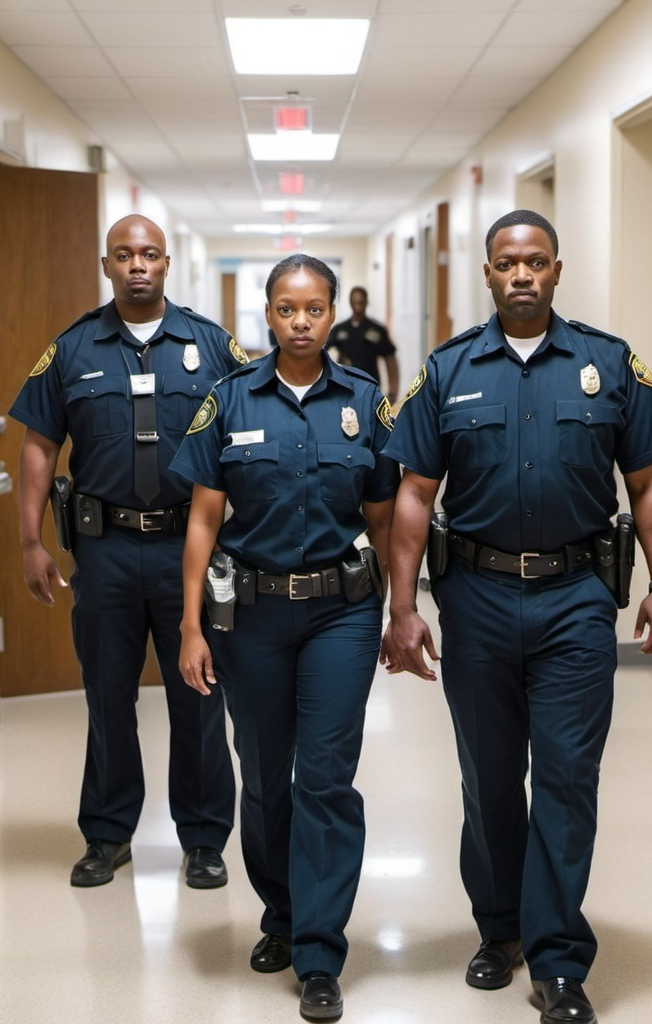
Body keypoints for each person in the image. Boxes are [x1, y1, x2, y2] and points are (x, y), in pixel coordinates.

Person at [380, 210, 652, 1024]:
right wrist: (402, 605)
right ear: (487, 274)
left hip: (576, 600)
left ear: (558, 270)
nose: (522, 274)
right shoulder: (447, 371)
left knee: (565, 777)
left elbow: (648, 482)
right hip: (476, 600)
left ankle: (556, 960)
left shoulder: (609, 363)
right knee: (487, 779)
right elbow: (414, 494)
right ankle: (500, 928)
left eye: (537, 261)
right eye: (508, 263)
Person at [173, 254, 398, 1022]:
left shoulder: (366, 403)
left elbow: (380, 519)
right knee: (265, 777)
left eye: (313, 308)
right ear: (265, 315)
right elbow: (203, 519)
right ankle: (281, 913)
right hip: (254, 617)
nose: (300, 321)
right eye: (285, 308)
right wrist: (189, 624)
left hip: (341, 611)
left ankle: (319, 949)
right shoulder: (228, 400)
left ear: (333, 312)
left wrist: (397, 613)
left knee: (325, 779)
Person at [8, 214, 244, 890]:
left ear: (167, 264)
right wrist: (30, 540)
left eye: (149, 254)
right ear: (106, 265)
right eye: (124, 255)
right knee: (107, 696)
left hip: (188, 551)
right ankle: (108, 834)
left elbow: (249, 436)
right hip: (105, 551)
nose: (137, 265)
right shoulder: (74, 349)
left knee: (198, 695)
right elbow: (37, 446)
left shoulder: (212, 345)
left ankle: (203, 839)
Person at [327, 286, 400, 403]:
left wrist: (393, 391)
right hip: (344, 388)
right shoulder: (340, 330)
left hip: (369, 387)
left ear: (366, 302)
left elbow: (390, 359)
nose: (358, 306)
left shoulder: (377, 330)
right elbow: (321, 351)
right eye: (355, 302)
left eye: (361, 302)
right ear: (350, 303)